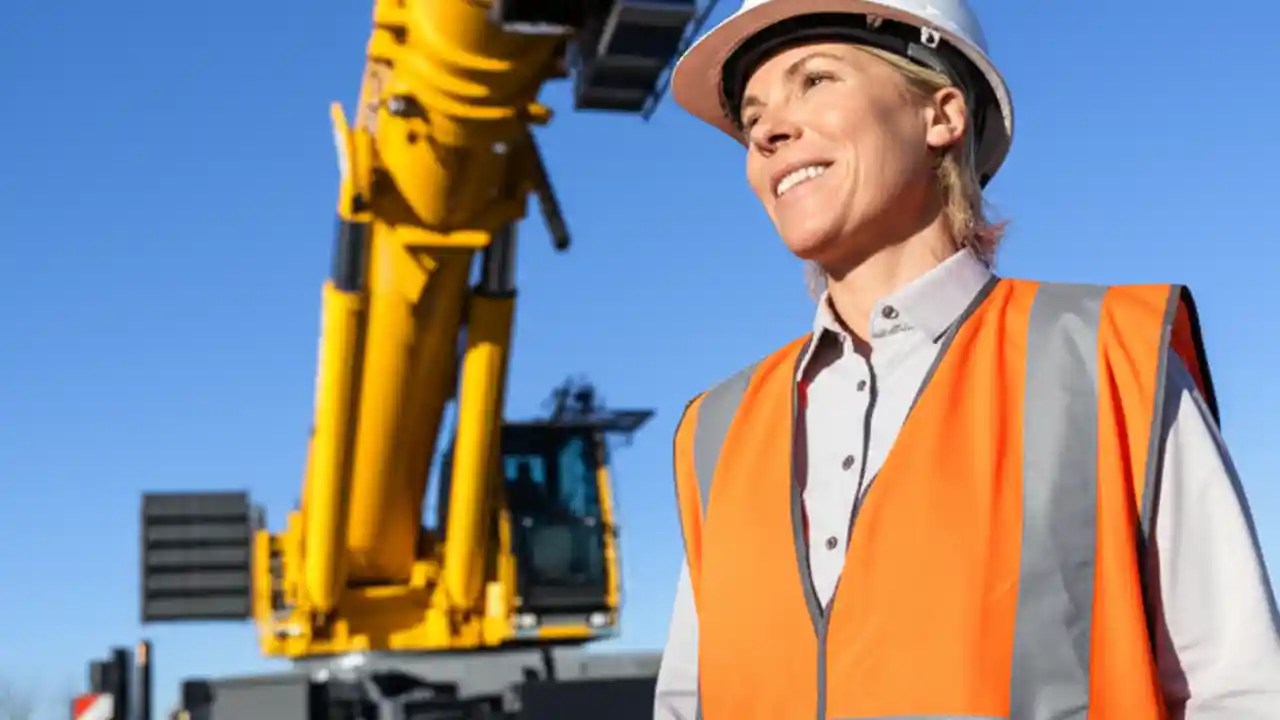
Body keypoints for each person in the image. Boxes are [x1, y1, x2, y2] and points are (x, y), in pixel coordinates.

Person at [653, 0, 1280, 718]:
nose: (766, 130)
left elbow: (1241, 693)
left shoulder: (1105, 357)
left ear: (941, 116)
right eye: (753, 114)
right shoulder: (718, 431)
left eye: (816, 79)